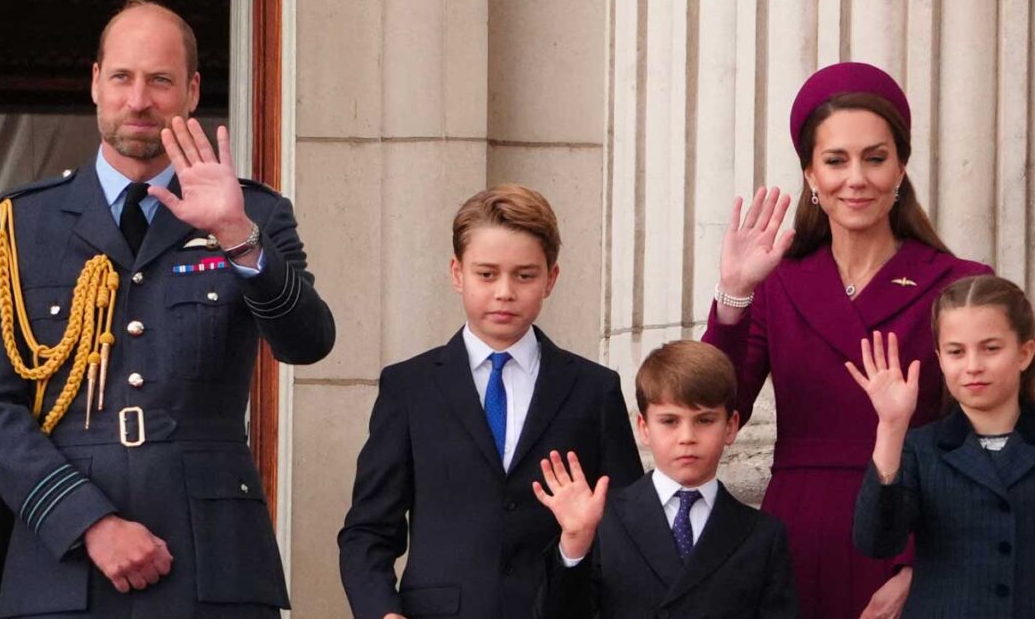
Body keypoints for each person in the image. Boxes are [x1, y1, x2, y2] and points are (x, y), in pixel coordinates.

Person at [0, 0, 335, 618]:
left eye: (160, 80)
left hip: (213, 558)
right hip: (65, 564)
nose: (139, 100)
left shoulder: (255, 214)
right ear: (95, 82)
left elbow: (309, 341)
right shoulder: (20, 227)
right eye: (123, 77)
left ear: (190, 90)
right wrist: (91, 523)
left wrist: (236, 234)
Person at [702, 61, 991, 619]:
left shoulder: (959, 283)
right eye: (835, 160)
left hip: (914, 532)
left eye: (875, 158)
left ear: (901, 167)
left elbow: (979, 435)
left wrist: (920, 562)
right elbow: (716, 410)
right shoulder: (777, 282)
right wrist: (734, 294)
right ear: (810, 174)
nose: (855, 178)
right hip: (798, 533)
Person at [337, 184, 643, 619]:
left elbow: (625, 533)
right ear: (457, 273)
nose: (504, 291)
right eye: (486, 274)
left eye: (524, 275)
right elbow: (368, 530)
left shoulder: (594, 390)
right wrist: (383, 613)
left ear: (551, 279)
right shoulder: (410, 387)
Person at [850, 275, 1035, 617]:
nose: (973, 366)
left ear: (1024, 353)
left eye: (991, 349)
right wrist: (890, 428)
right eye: (956, 352)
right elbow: (876, 541)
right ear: (940, 359)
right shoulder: (920, 448)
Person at [533, 340, 799, 619]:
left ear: (731, 426)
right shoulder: (602, 519)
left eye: (705, 420)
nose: (687, 437)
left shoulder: (762, 535)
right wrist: (575, 543)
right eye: (670, 421)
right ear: (644, 428)